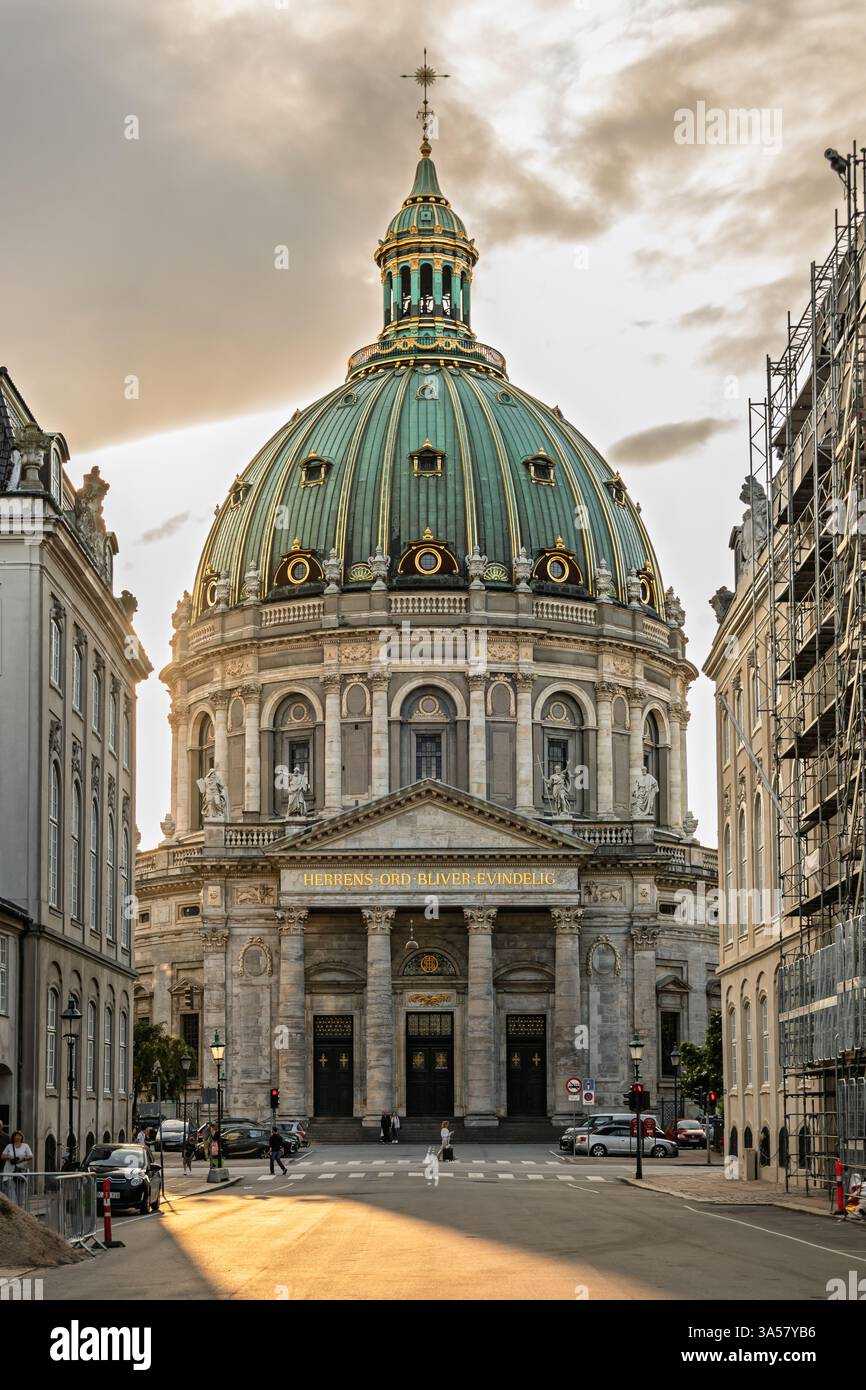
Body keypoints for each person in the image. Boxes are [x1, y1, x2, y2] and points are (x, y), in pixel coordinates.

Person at [1, 1131, 33, 1205]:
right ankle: (14, 1210)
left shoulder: (25, 1146)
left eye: (19, 1136)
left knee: (20, 1194)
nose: (17, 1137)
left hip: (21, 1173)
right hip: (9, 1173)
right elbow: (2, 1156)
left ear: (22, 1137)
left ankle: (20, 1211)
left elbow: (31, 1156)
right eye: (16, 1136)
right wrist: (9, 1157)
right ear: (13, 1137)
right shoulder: (9, 1146)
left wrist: (23, 1159)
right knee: (12, 1194)